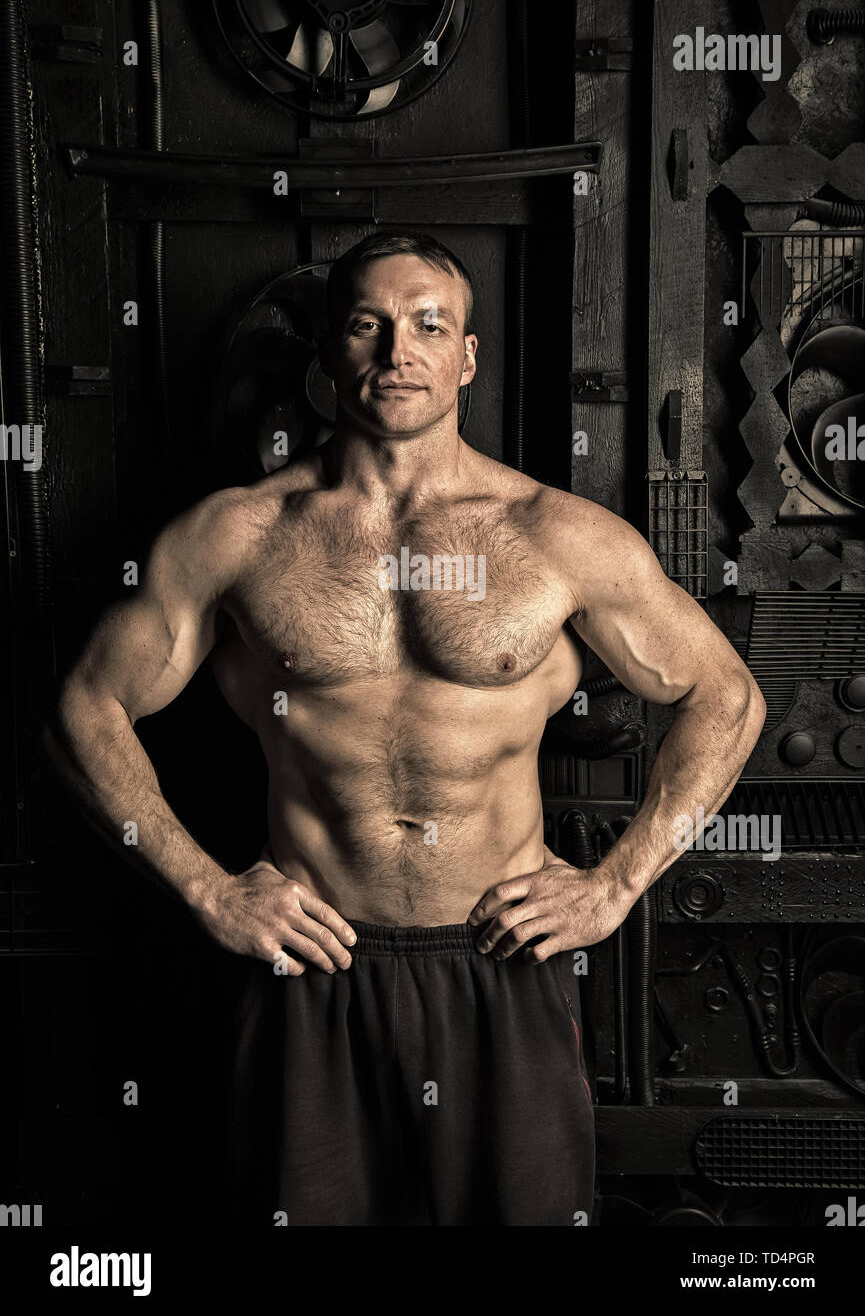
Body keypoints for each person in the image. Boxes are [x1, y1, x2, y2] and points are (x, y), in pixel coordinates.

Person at [45, 229, 766, 1226]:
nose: (398, 353)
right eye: (368, 325)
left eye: (429, 324)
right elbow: (85, 704)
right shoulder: (238, 534)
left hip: (498, 962)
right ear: (327, 353)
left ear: (467, 355)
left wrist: (614, 887)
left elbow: (723, 696)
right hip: (309, 960)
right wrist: (205, 886)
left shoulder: (555, 536)